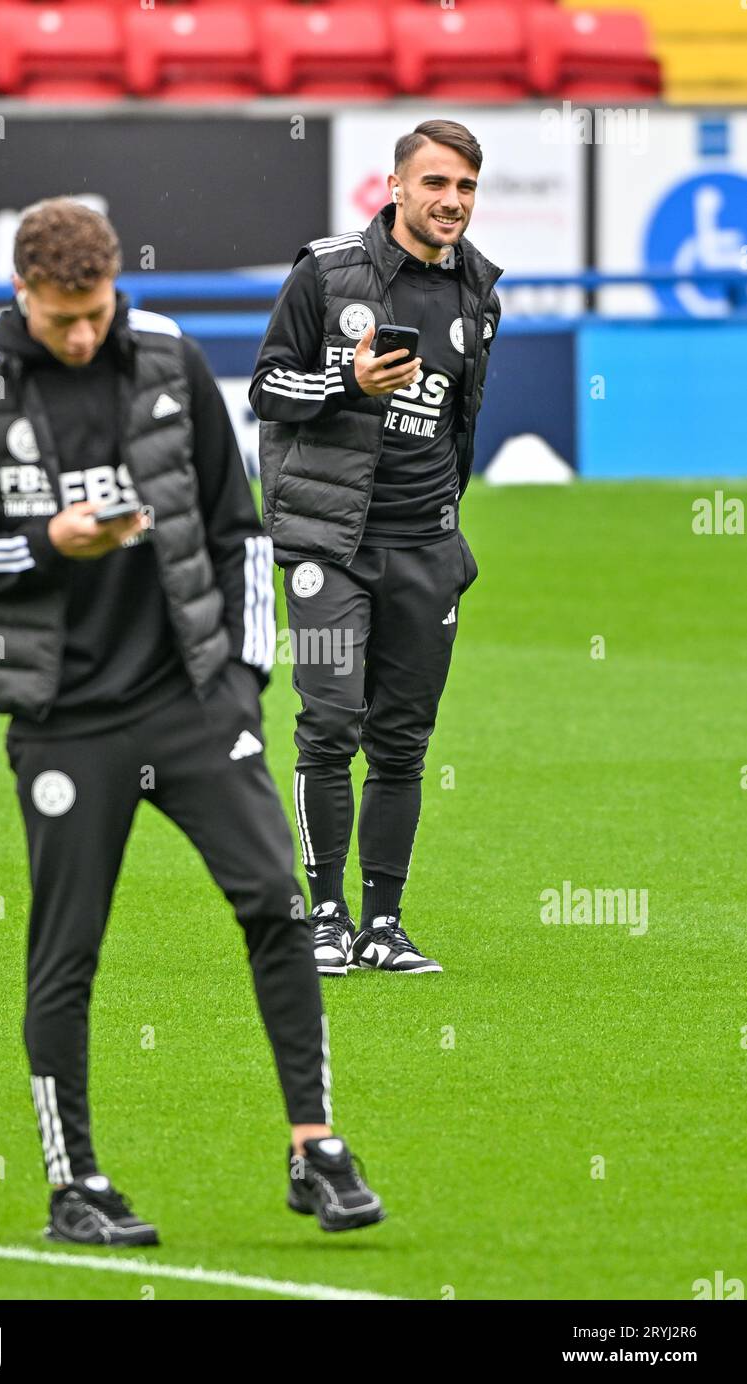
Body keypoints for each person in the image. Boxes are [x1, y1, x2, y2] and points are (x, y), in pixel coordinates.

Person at [0, 197, 384, 1242]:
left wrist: (245, 677)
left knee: (275, 901)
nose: (81, 335)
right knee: (66, 947)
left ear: (115, 285)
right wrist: (49, 540)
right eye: (59, 318)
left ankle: (317, 1146)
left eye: (95, 312)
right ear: (21, 294)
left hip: (194, 700)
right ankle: (75, 1182)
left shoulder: (171, 358)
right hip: (63, 720)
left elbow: (239, 522)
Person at [250, 120, 503, 976]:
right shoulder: (326, 272)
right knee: (328, 722)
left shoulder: (479, 291)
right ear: (393, 187)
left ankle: (382, 925)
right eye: (434, 184)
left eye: (465, 187)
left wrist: (445, 532)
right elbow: (266, 387)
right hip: (329, 546)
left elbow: (459, 427)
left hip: (423, 548)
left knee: (401, 742)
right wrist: (345, 383)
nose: (451, 202)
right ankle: (321, 917)